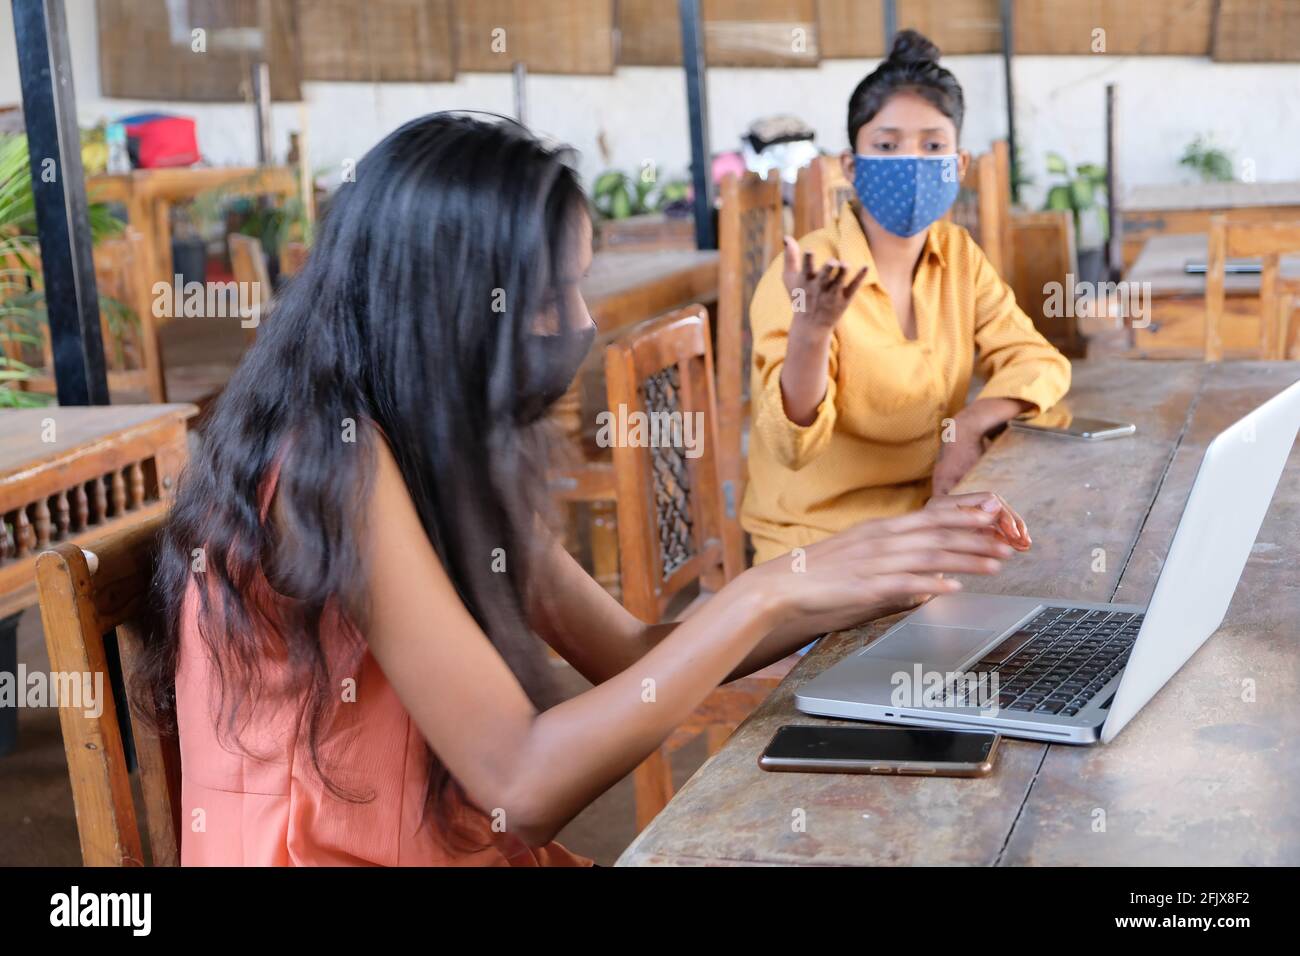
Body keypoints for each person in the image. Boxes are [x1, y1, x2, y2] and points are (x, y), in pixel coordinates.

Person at [140, 112, 1023, 867]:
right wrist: (768, 590)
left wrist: (864, 575)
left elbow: (633, 654)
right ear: (446, 302)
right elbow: (518, 786)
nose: (579, 324)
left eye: (577, 286)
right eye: (545, 296)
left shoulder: (431, 439)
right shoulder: (331, 462)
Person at [742, 29, 1068, 566]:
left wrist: (967, 425)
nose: (911, 162)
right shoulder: (808, 274)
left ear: (959, 165)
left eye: (932, 146)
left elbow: (1038, 360)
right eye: (887, 146)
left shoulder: (957, 255)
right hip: (817, 547)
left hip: (927, 527)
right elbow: (790, 446)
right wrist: (812, 331)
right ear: (851, 166)